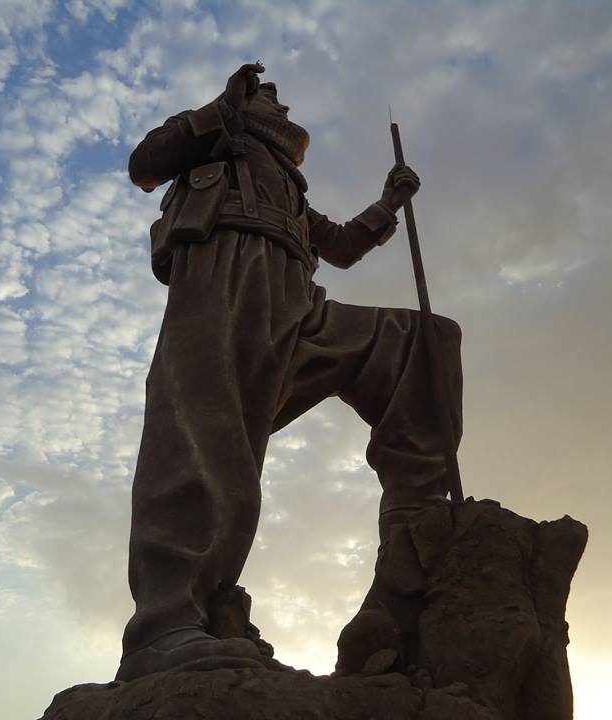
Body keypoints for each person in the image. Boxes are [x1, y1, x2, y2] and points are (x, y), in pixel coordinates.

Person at [117, 63, 462, 681]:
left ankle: (413, 542)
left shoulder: (288, 185)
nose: (277, 101)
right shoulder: (209, 137)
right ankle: (165, 626)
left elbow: (342, 246)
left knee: (419, 344)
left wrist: (390, 202)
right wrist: (224, 105)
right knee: (199, 441)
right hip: (220, 284)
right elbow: (144, 164)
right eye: (266, 95)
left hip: (295, 303)